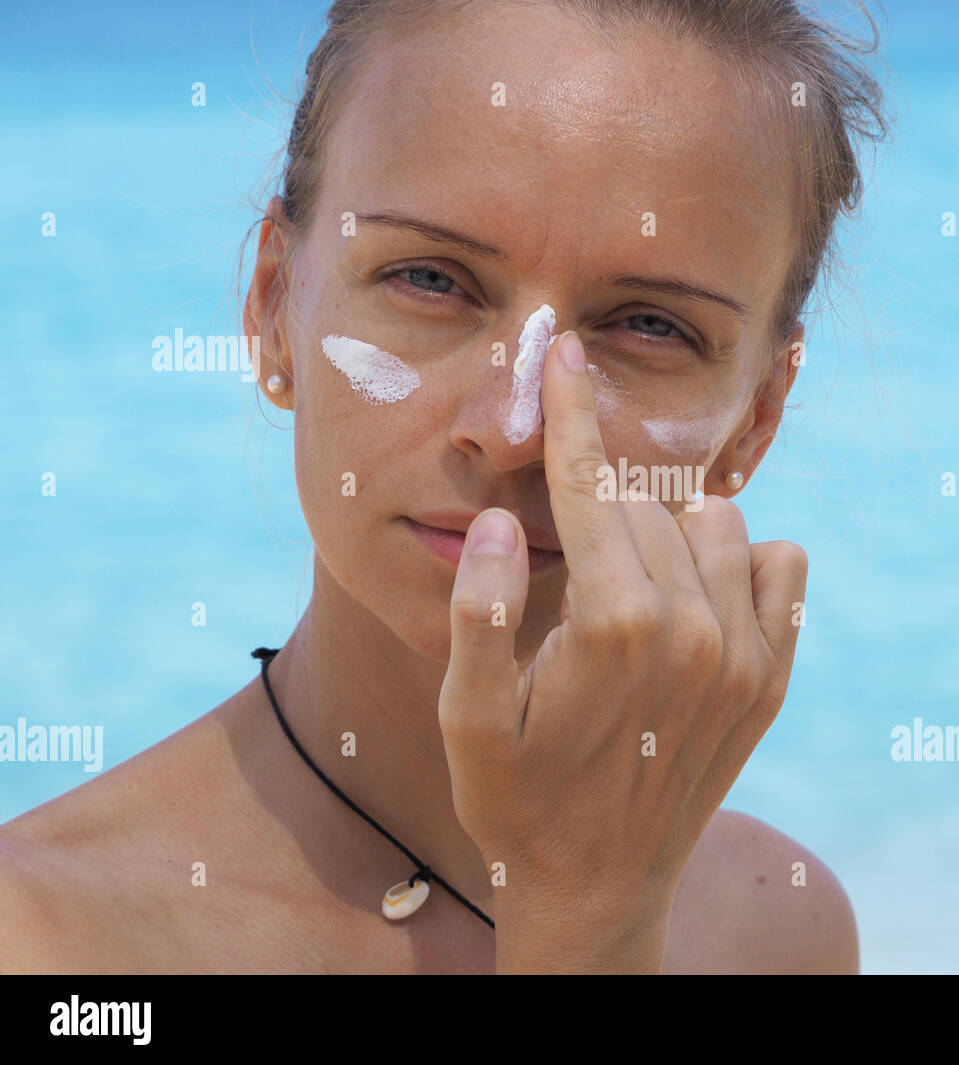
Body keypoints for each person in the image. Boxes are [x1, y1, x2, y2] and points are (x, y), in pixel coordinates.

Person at [0, 0, 886, 973]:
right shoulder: (42, 934)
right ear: (272, 308)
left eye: (649, 327)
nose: (512, 430)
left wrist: (595, 906)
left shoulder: (775, 931)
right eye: (430, 279)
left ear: (755, 417)